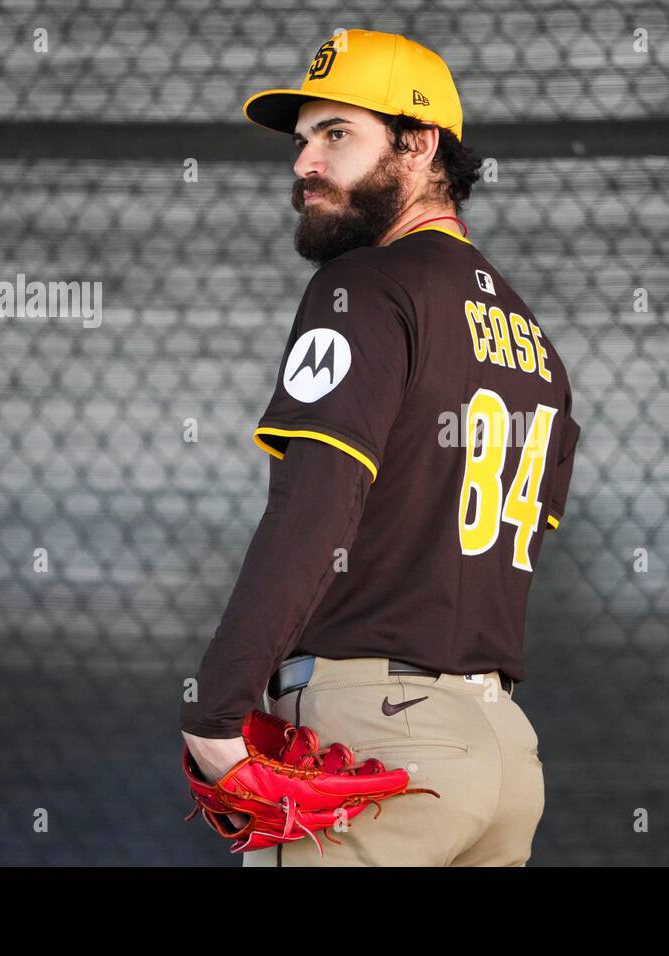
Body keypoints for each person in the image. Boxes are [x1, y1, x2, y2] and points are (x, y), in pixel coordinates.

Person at [180, 28, 581, 867]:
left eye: (337, 135)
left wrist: (216, 714)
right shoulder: (533, 343)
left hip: (374, 745)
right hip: (502, 755)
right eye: (303, 142)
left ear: (422, 143)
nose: (305, 166)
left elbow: (316, 504)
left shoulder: (363, 286)